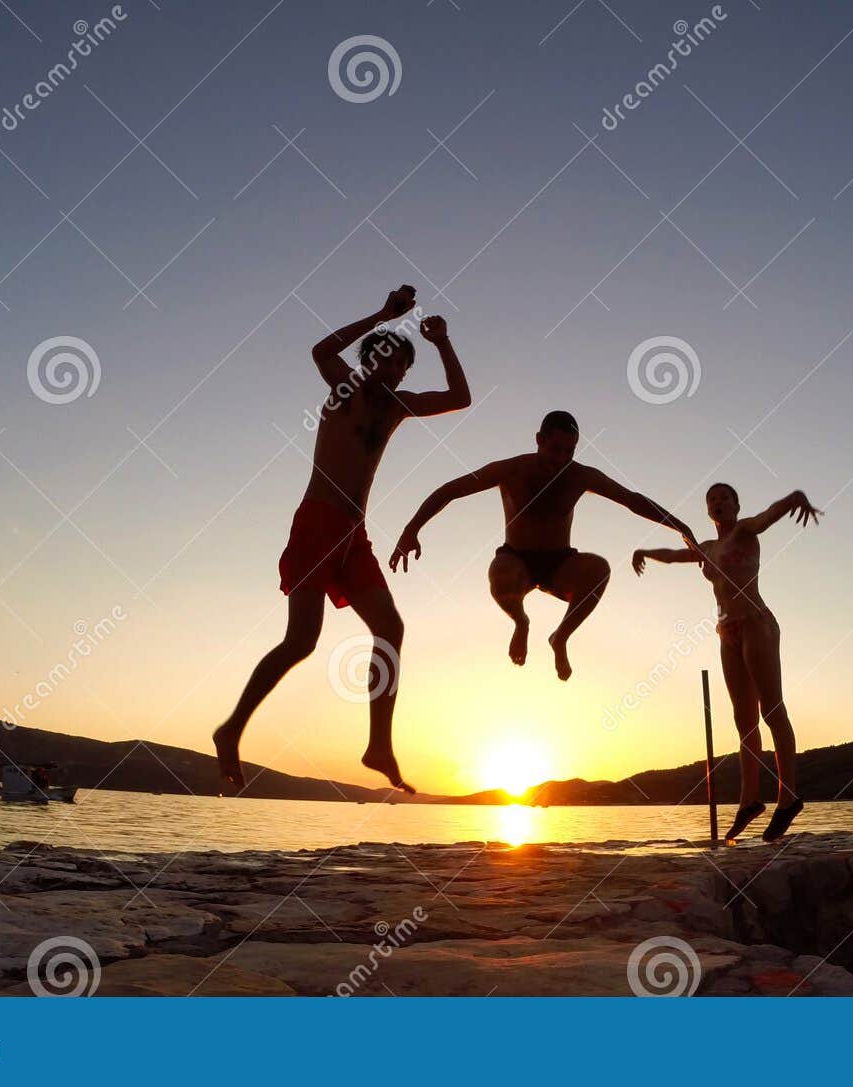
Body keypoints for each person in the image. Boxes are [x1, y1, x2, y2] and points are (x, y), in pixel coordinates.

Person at [212, 285, 470, 794]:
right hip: (318, 522)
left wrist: (441, 341)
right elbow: (319, 352)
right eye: (389, 362)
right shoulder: (345, 388)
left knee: (390, 628)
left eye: (402, 368)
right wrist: (381, 314)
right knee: (302, 640)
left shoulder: (397, 407)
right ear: (369, 360)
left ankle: (378, 745)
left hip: (355, 535)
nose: (396, 374)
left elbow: (460, 398)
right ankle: (232, 728)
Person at [390, 410, 697, 681]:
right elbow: (451, 489)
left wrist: (680, 526)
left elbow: (632, 500)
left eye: (569, 452)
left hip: (559, 564)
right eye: (554, 450)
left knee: (599, 569)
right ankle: (521, 622)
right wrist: (411, 529)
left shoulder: (580, 476)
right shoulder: (511, 470)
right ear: (539, 439)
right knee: (500, 572)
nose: (560, 459)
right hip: (517, 561)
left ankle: (559, 638)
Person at [632, 483, 822, 842]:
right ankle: (749, 801)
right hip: (726, 633)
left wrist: (795, 497)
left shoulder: (745, 530)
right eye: (712, 499)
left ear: (736, 505)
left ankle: (788, 797)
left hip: (756, 624)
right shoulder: (707, 548)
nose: (718, 502)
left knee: (772, 711)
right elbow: (677, 554)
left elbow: (769, 517)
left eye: (725, 498)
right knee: (744, 721)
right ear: (708, 510)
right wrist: (645, 551)